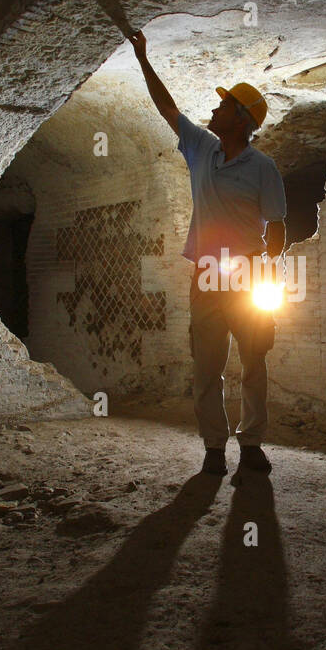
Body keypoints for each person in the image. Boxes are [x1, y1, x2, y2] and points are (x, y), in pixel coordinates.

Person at [128, 29, 287, 477]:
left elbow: (276, 228)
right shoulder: (200, 147)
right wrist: (143, 58)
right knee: (207, 367)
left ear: (242, 119)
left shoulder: (263, 168)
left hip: (248, 276)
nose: (213, 109)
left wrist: (268, 280)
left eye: (223, 105)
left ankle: (251, 445)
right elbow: (167, 108)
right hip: (207, 275)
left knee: (254, 363)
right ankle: (214, 449)